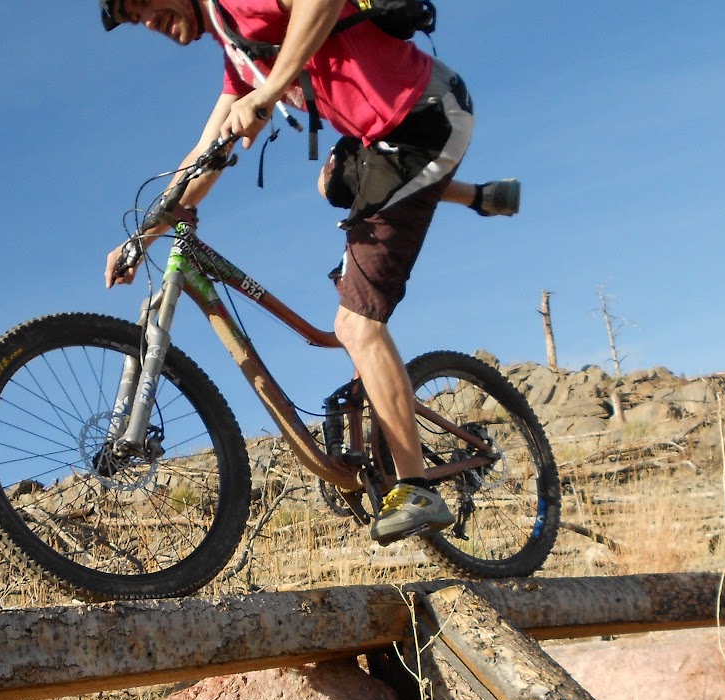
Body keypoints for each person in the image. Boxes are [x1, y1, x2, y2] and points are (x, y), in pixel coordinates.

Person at [99, 0, 519, 544]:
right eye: (136, 21)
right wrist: (142, 236)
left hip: (423, 123)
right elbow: (207, 153)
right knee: (330, 185)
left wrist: (268, 95)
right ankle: (476, 196)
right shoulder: (238, 57)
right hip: (379, 143)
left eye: (143, 5)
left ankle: (417, 488)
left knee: (356, 326)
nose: (147, 20)